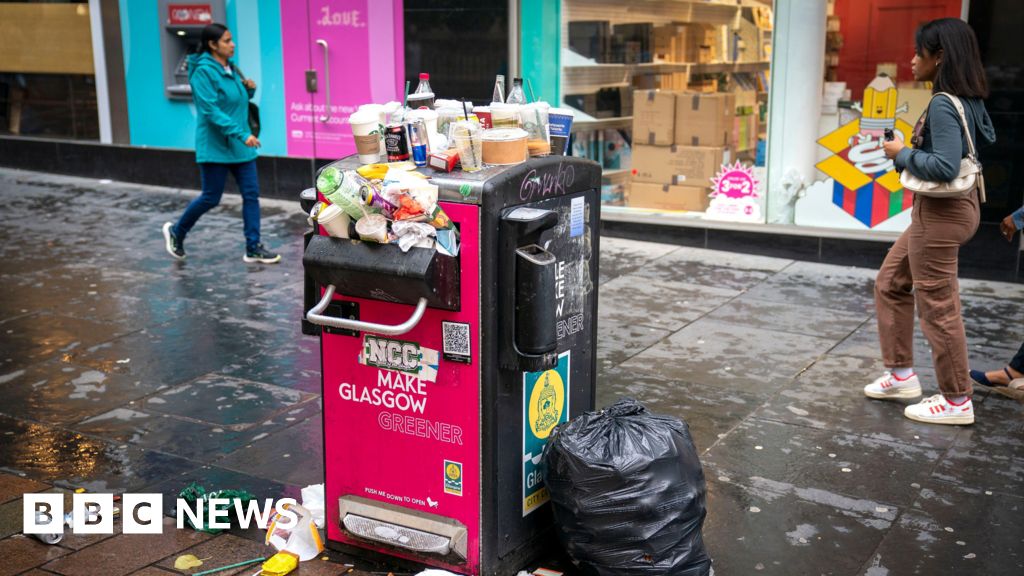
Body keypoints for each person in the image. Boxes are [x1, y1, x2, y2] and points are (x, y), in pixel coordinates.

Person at [864, 18, 995, 425]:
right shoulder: (967, 98)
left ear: (939, 57)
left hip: (940, 214)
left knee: (938, 305)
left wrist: (901, 153)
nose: (912, 59)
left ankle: (957, 399)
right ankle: (901, 373)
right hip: (954, 210)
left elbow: (943, 165)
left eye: (919, 51)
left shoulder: (942, 102)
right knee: (891, 281)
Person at [162, 23, 280, 264]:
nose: (232, 44)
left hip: (239, 144)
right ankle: (177, 231)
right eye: (227, 41)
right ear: (213, 45)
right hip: (216, 146)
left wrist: (248, 91)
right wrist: (242, 134)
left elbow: (233, 102)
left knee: (251, 195)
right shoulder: (203, 72)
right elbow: (211, 111)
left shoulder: (230, 67)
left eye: (231, 39)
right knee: (211, 197)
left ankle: (253, 246)